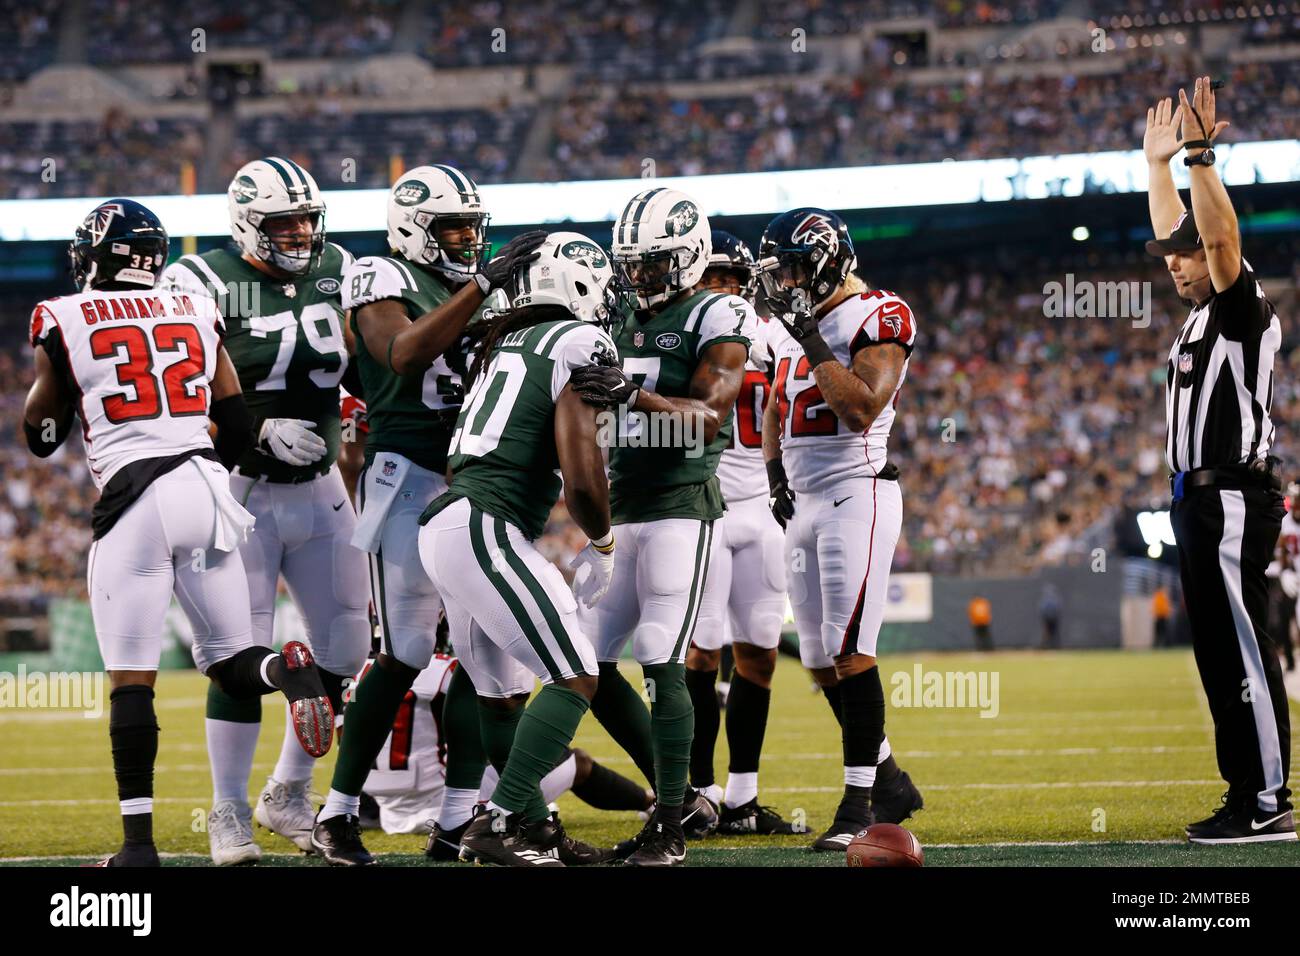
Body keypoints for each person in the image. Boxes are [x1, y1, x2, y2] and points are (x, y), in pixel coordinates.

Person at [24, 199, 334, 866]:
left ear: (94, 257)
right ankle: (290, 669)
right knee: (231, 660)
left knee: (133, 684)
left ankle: (138, 847)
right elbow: (240, 427)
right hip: (207, 488)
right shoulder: (194, 307)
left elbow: (40, 435)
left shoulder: (64, 316)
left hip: (136, 496)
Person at [307, 165, 546, 864]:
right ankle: (337, 814)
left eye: (474, 228)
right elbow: (404, 354)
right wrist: (484, 288)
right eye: (453, 229)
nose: (468, 241)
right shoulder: (379, 276)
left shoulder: (468, 285)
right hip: (406, 477)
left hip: (475, 483)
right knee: (405, 650)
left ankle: (454, 818)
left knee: (477, 654)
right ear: (415, 228)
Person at [162, 157, 371, 864]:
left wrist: (358, 401)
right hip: (239, 491)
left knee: (347, 648)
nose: (301, 233)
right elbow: (179, 391)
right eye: (285, 222)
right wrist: (251, 428)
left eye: (308, 219)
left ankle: (287, 791)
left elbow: (365, 356)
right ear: (247, 224)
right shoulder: (201, 280)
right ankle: (226, 811)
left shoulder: (339, 265)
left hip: (319, 486)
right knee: (238, 656)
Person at [568, 187, 755, 865]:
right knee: (581, 660)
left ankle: (670, 827)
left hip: (680, 506)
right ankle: (674, 796)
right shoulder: (610, 316)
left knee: (662, 656)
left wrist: (633, 393)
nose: (640, 276)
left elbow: (708, 415)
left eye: (653, 263)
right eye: (633, 264)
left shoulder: (719, 310)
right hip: (621, 507)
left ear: (688, 255)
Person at [418, 241, 621, 866]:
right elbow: (583, 476)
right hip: (483, 525)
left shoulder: (504, 343)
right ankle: (498, 820)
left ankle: (533, 828)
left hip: (451, 523)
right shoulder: (578, 343)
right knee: (576, 672)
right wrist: (604, 540)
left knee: (500, 696)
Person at [1144, 80, 1293, 844]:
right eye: (1171, 255)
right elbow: (1188, 233)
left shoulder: (1240, 305)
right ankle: (1246, 791)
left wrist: (1202, 157)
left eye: (1186, 253)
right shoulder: (1203, 313)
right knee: (1215, 655)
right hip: (1198, 500)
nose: (1176, 263)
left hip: (1232, 493)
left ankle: (1268, 799)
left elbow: (1221, 241)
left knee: (1241, 641)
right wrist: (1155, 167)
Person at [760, 207, 923, 851]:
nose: (785, 283)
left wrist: (811, 339)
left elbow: (860, 406)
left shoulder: (880, 313)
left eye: (794, 269)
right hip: (802, 500)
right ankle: (889, 779)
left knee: (851, 649)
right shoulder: (788, 328)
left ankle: (859, 805)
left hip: (859, 494)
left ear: (825, 259)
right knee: (820, 658)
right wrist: (774, 475)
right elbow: (777, 402)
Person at [683, 230, 796, 835]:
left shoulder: (777, 335)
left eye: (731, 278)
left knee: (759, 654)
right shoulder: (683, 333)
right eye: (713, 277)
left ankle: (742, 799)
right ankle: (697, 793)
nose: (722, 288)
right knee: (700, 652)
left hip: (764, 509)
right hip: (707, 508)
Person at [354, 653, 651, 845]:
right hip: (444, 803)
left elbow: (353, 742)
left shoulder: (362, 675)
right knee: (574, 760)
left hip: (387, 808)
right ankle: (650, 802)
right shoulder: (445, 668)